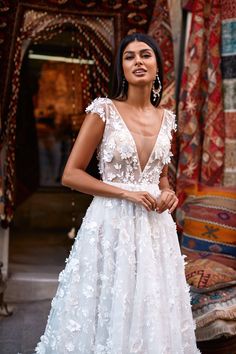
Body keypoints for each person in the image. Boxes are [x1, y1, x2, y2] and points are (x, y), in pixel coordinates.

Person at [35, 33, 200, 354]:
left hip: (154, 229)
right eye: (129, 56)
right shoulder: (103, 112)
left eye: (145, 55)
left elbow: (161, 178)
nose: (138, 61)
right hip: (111, 223)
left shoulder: (168, 120)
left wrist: (169, 194)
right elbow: (71, 174)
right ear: (121, 69)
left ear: (157, 66)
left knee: (150, 306)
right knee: (109, 300)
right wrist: (127, 194)